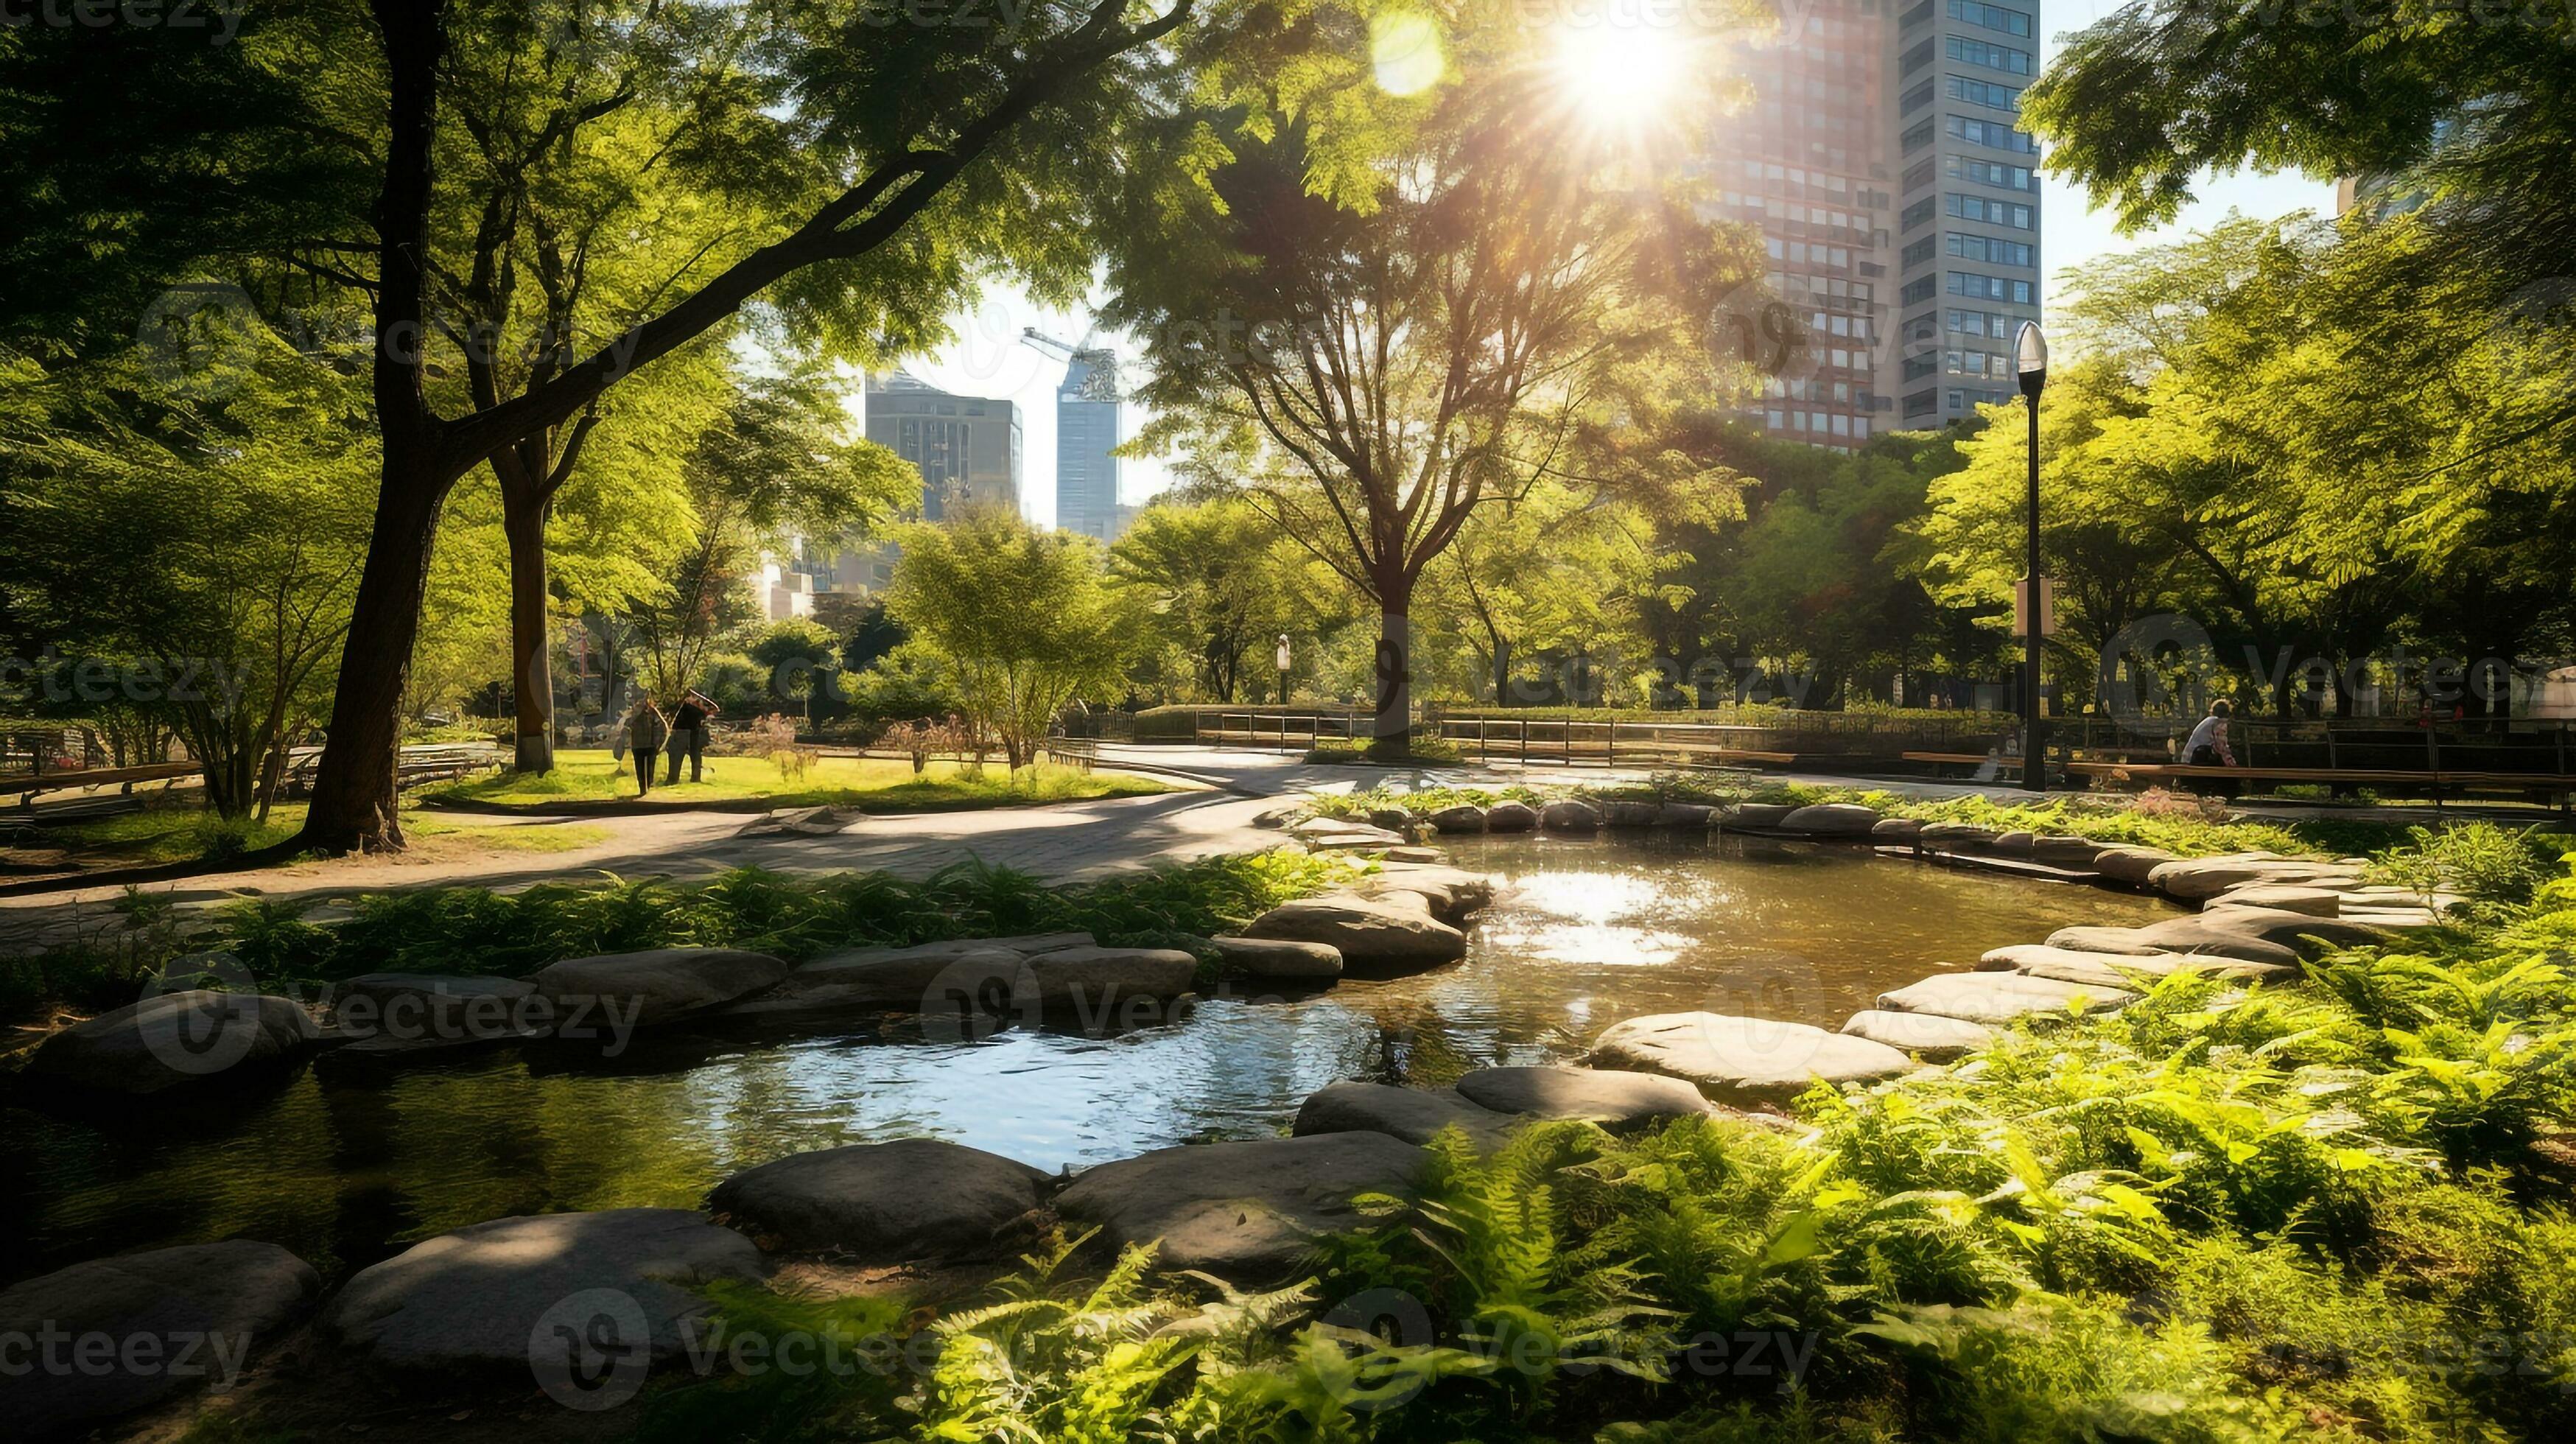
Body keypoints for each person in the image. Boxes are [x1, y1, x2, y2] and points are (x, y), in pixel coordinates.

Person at [666, 688, 716, 785]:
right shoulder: (684, 707)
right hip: (682, 733)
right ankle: (673, 779)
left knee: (694, 757)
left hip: (693, 734)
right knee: (678, 757)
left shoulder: (695, 710)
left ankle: (693, 778)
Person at [625, 697, 668, 795]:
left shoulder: (653, 713)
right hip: (638, 745)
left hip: (650, 746)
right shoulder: (633, 714)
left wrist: (658, 744)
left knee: (649, 769)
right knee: (640, 769)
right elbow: (626, 726)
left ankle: (647, 788)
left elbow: (663, 728)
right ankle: (643, 789)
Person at [2184, 698, 2236, 768]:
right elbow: (2221, 747)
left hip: (2187, 760)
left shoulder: (2208, 721)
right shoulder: (2218, 724)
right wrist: (2232, 763)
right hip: (2196, 761)